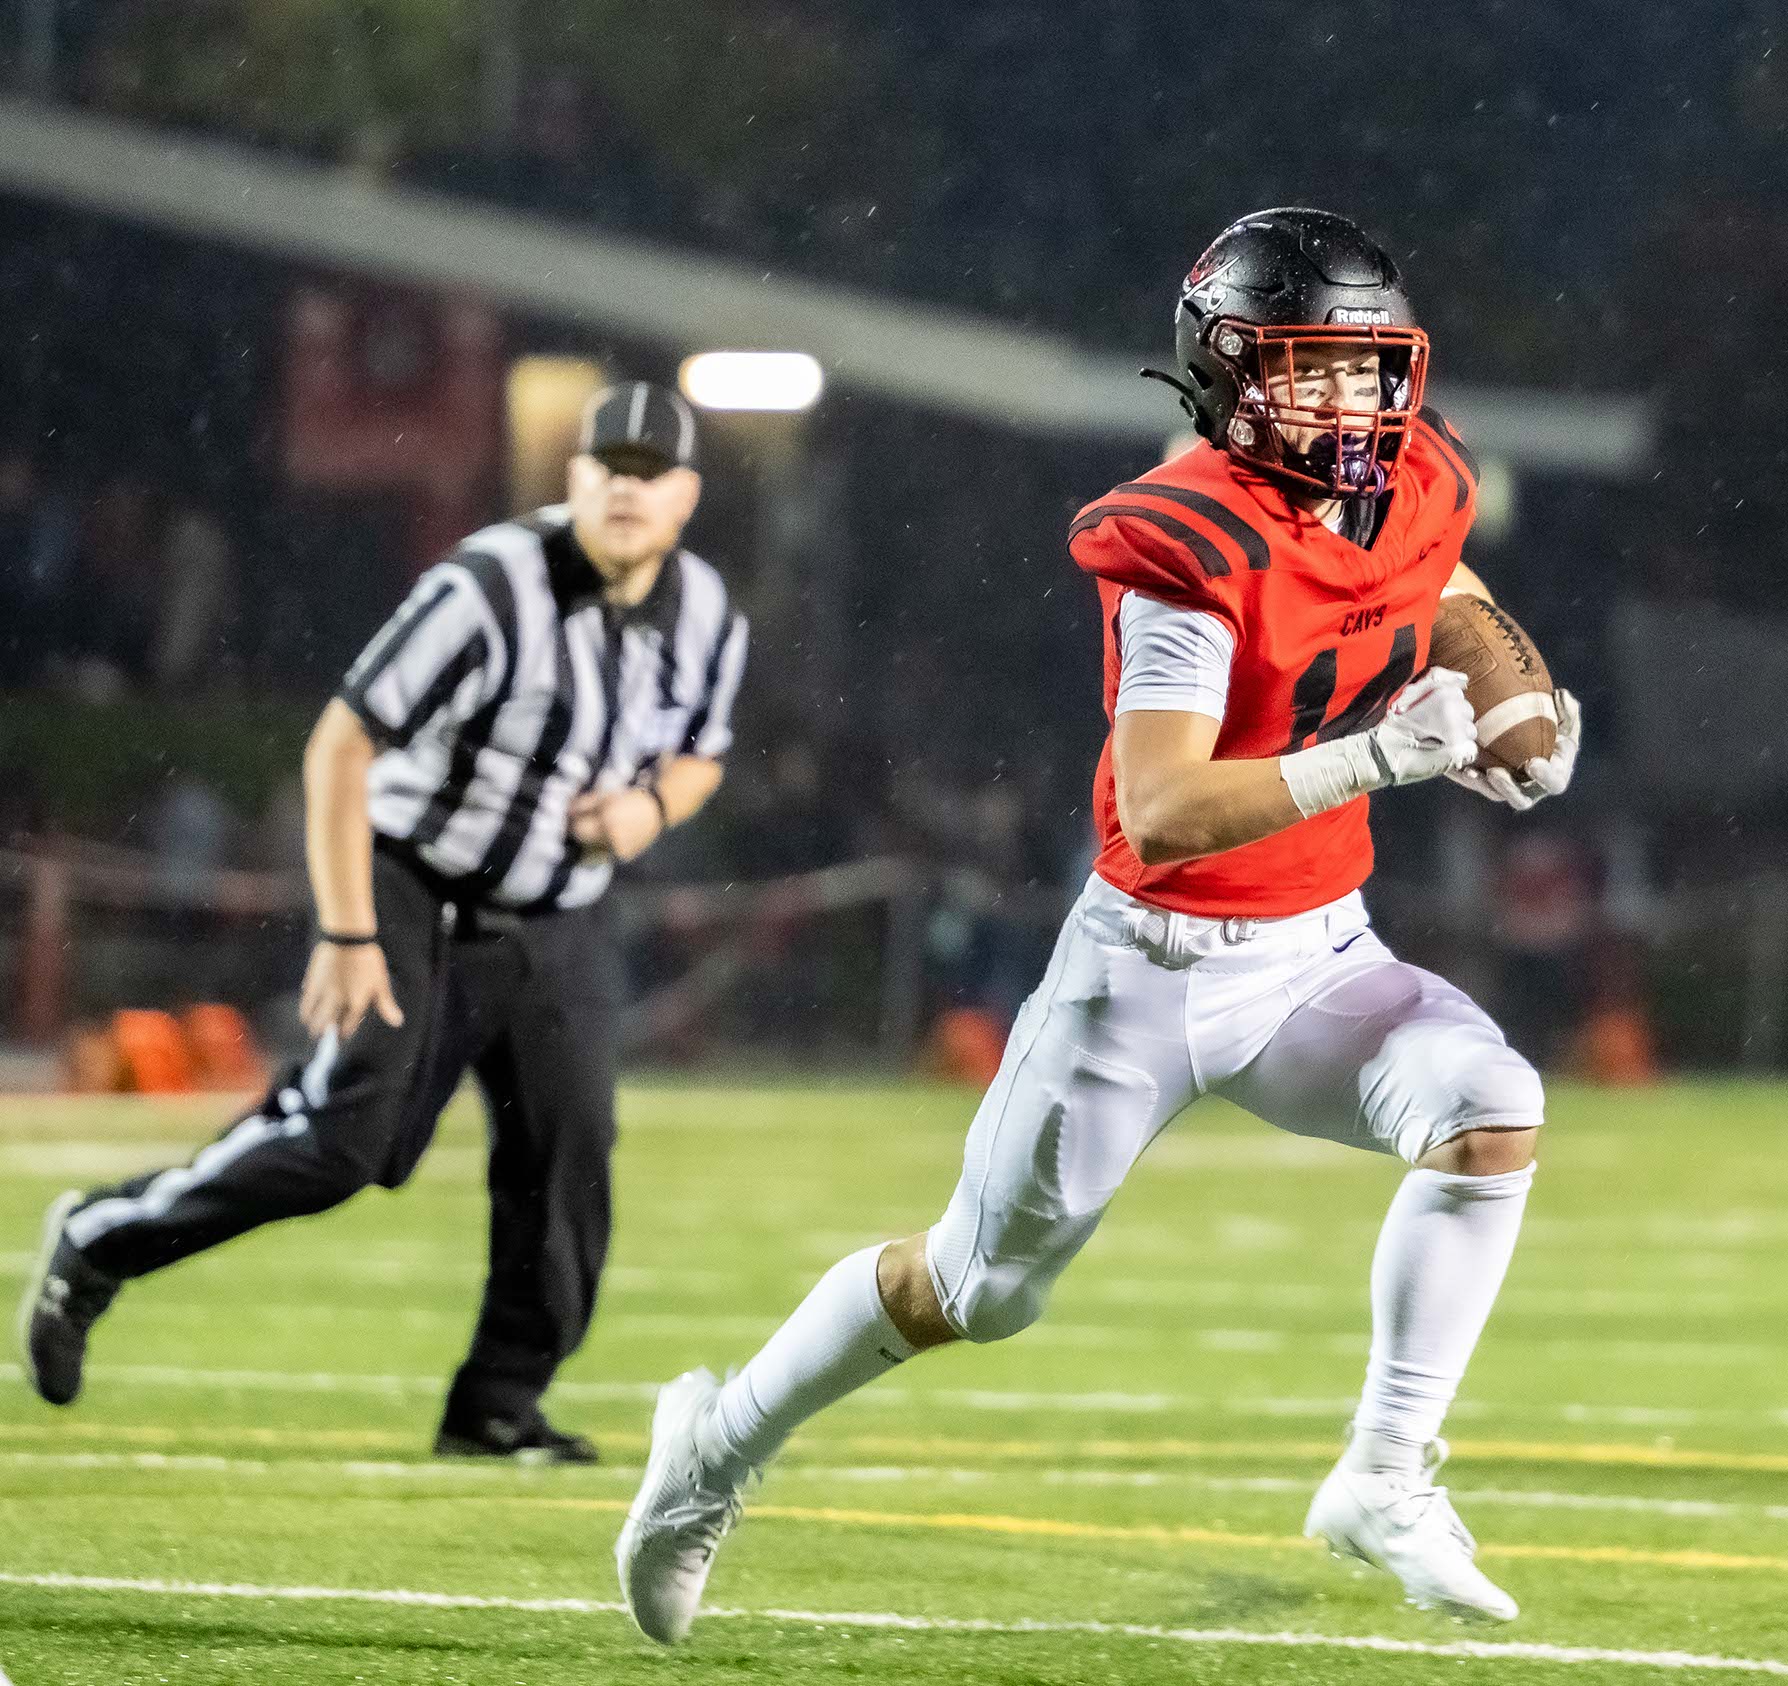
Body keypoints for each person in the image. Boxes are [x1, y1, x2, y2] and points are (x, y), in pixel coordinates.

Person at [614, 208, 1579, 1637]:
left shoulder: (1410, 476)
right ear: (1229, 374)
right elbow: (1166, 808)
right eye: (1311, 368)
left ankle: (1384, 1477)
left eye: (1367, 367)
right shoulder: (1184, 540)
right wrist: (1381, 754)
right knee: (975, 1286)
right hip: (1148, 972)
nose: (1350, 400)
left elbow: (1441, 585)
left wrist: (1520, 702)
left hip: (1319, 954)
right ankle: (713, 1446)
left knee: (1492, 1109)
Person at [17, 383, 750, 1462]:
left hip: (563, 911)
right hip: (420, 890)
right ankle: (101, 1238)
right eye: (609, 467)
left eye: (651, 473)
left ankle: (497, 1406)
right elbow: (340, 744)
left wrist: (647, 809)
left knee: (569, 1152)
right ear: (574, 476)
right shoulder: (490, 587)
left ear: (686, 495)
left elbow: (700, 753)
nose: (627, 491)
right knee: (343, 1146)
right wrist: (351, 933)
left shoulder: (706, 611)